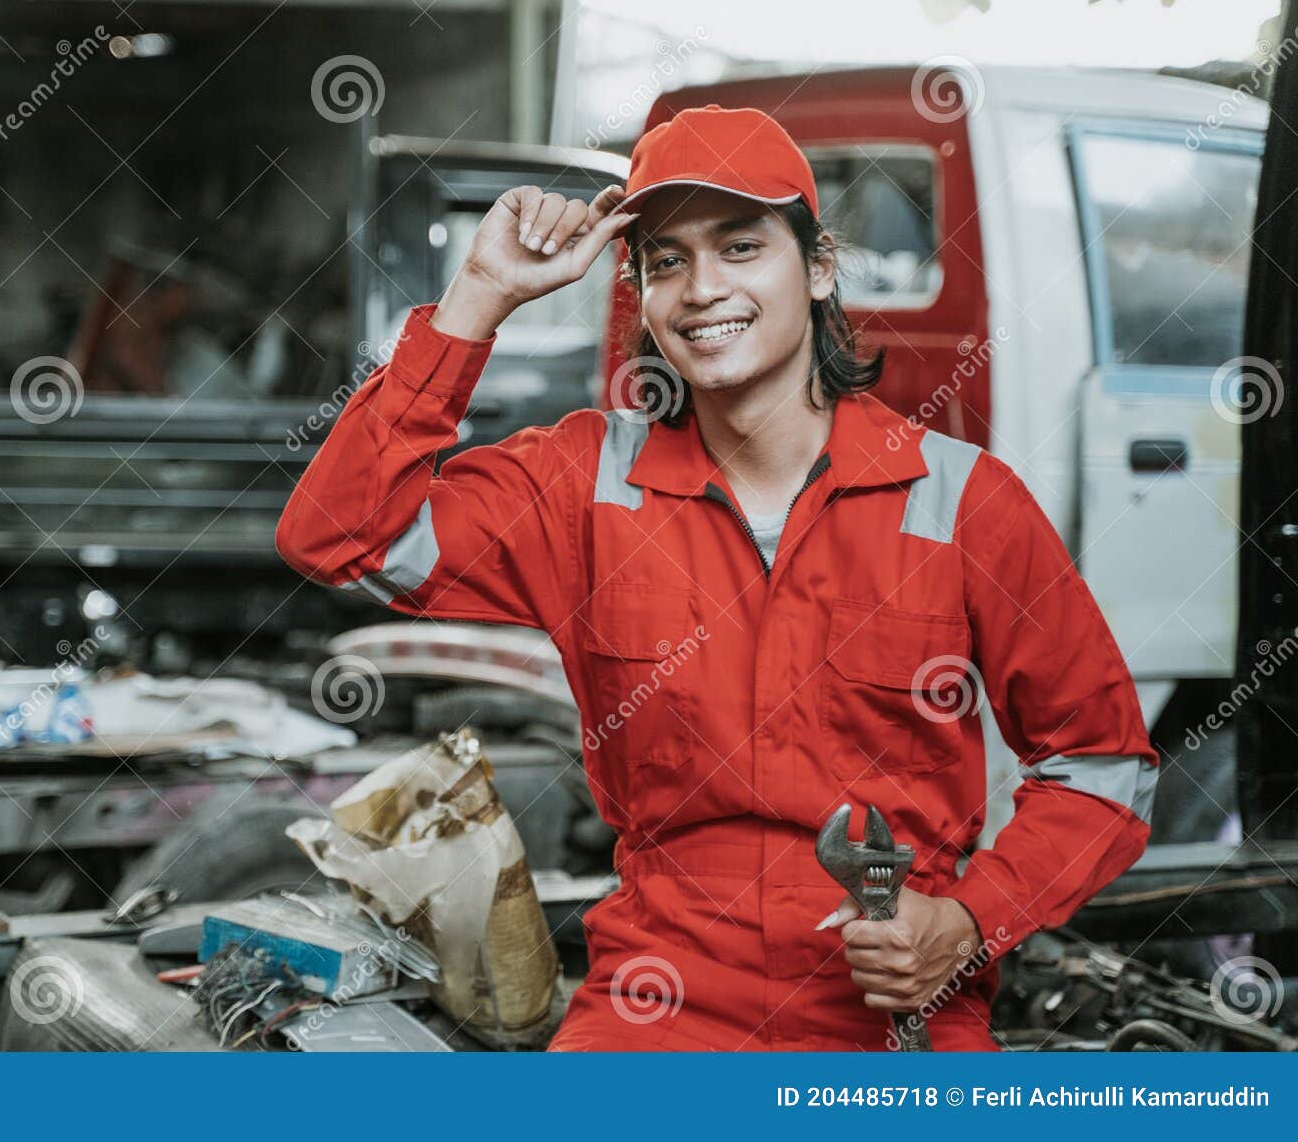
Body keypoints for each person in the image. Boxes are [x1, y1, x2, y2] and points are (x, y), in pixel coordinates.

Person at [275, 104, 1159, 1051]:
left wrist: (970, 923)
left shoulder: (963, 500)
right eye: (666, 260)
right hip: (660, 1002)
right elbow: (340, 535)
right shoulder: (585, 486)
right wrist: (480, 297)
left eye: (741, 247)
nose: (702, 289)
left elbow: (1101, 767)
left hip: (896, 1003)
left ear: (817, 269)